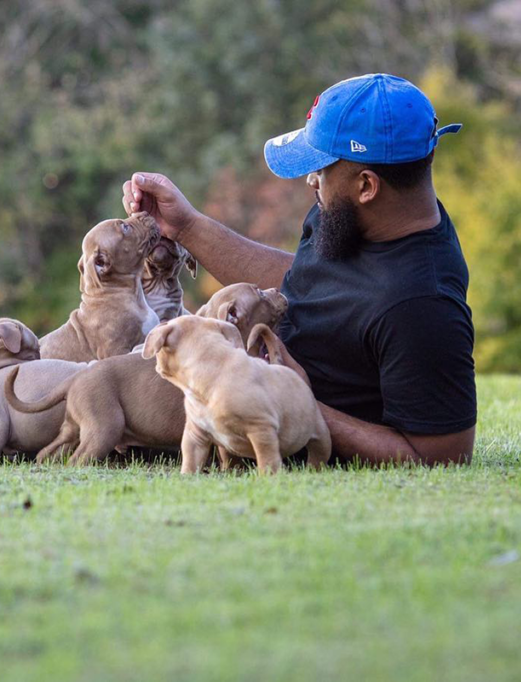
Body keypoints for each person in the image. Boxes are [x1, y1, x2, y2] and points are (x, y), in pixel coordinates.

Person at [123, 73, 476, 465]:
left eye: (321, 169)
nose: (311, 180)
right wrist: (185, 226)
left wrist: (298, 400)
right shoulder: (356, 217)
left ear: (366, 186)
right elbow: (307, 283)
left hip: (236, 415)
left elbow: (442, 457)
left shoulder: (421, 306)